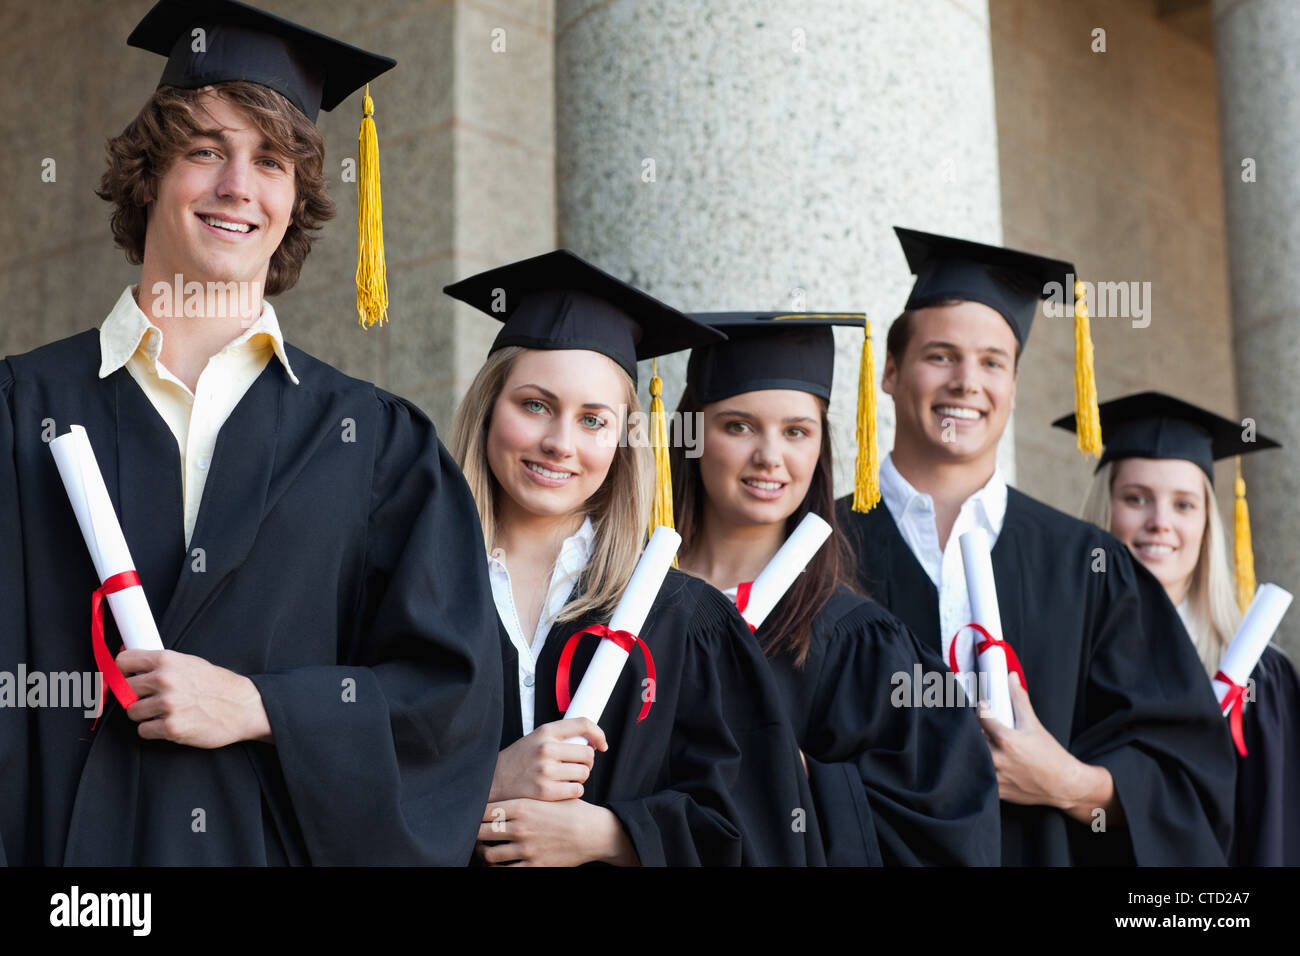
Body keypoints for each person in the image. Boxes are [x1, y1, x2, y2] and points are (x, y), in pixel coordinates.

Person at [0, 0, 503, 865]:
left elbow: (444, 706)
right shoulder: (17, 411)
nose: (239, 185)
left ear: (296, 198)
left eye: (271, 161)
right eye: (206, 150)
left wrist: (261, 707)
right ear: (149, 174)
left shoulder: (375, 446)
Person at [836, 227, 1236, 865]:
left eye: (993, 362)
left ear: (1015, 387)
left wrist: (1071, 784)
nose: (968, 382)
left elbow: (1190, 774)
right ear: (890, 372)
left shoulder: (1090, 566)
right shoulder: (820, 554)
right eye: (941, 355)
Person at [444, 250, 823, 866]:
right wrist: (486, 781)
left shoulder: (683, 621)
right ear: (489, 407)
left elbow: (765, 830)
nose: (559, 443)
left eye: (594, 420)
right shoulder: (409, 588)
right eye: (535, 405)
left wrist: (616, 836)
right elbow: (335, 784)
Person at [669, 311, 1002, 865]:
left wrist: (795, 777)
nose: (770, 457)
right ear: (692, 436)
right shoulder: (623, 610)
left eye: (796, 431)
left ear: (820, 448)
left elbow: (949, 831)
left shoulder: (857, 642)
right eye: (738, 425)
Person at [1057, 391, 1299, 865]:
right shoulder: (1060, 658)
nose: (1159, 523)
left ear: (1208, 526)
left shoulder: (1259, 679)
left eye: (1184, 505)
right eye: (1136, 499)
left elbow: (1276, 840)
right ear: (1104, 510)